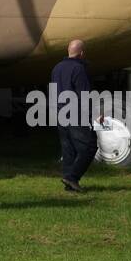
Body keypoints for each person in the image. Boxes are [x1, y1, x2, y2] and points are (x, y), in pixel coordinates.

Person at [51, 38, 97, 193]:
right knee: (89, 147)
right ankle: (72, 177)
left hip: (60, 113)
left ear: (68, 51)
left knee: (68, 149)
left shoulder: (56, 68)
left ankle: (69, 184)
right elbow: (83, 95)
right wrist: (91, 116)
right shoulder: (79, 69)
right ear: (82, 53)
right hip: (76, 114)